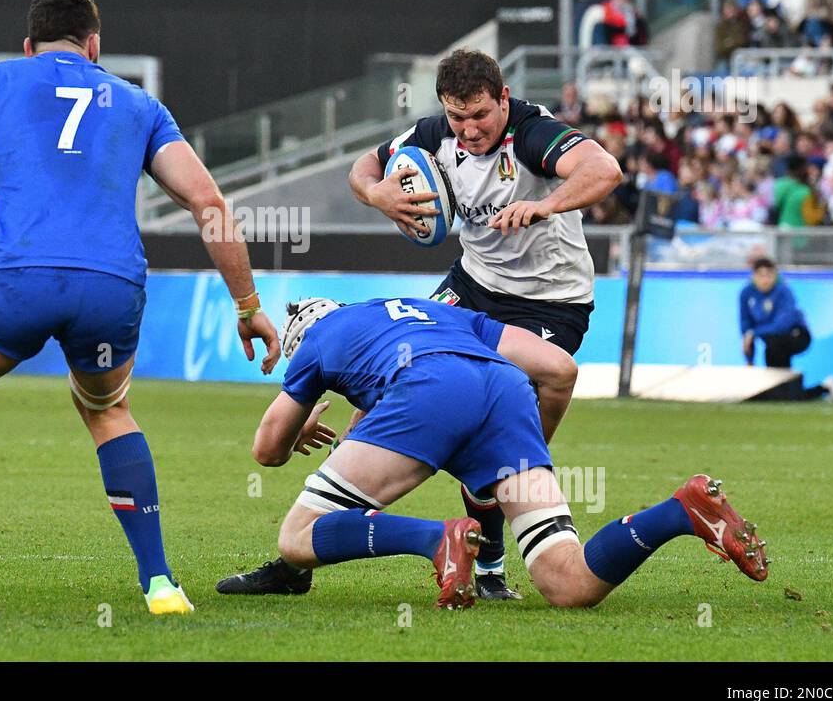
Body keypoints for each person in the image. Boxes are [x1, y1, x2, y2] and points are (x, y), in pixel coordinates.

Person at [0, 0, 280, 615]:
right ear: (94, 46)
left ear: (29, 46)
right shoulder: (140, 105)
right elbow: (209, 204)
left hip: (18, 277)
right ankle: (161, 583)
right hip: (109, 286)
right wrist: (247, 305)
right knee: (110, 412)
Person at [218, 49, 623, 600]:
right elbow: (364, 167)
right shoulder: (435, 134)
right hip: (474, 285)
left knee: (503, 417)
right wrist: (379, 194)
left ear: (503, 99)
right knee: (380, 398)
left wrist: (546, 205)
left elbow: (605, 169)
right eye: (459, 118)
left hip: (548, 303)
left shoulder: (533, 133)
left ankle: (492, 552)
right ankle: (300, 556)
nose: (470, 129)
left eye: (480, 115)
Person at [250, 298, 769, 610]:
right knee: (568, 584)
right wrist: (515, 461)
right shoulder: (430, 310)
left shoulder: (317, 339)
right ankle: (679, 511)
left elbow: (266, 450)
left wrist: (297, 434)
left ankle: (436, 538)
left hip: (427, 388)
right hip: (505, 391)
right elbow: (558, 370)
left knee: (297, 538)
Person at [740, 258, 833, 401]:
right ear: (754, 276)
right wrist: (749, 360)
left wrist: (754, 333)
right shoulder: (746, 294)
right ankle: (825, 387)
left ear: (775, 275)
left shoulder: (783, 291)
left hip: (797, 335)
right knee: (782, 393)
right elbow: (745, 327)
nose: (765, 280)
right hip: (773, 341)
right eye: (760, 275)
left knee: (773, 346)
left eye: (768, 275)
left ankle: (787, 387)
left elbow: (782, 325)